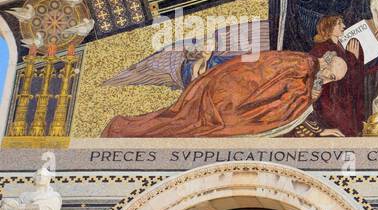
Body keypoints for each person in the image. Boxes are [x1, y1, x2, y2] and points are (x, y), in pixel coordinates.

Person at [102, 51, 349, 138]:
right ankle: (126, 129)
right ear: (326, 64)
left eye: (332, 81)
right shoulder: (303, 65)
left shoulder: (304, 67)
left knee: (181, 123)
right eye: (332, 76)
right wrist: (318, 129)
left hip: (226, 90)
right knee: (187, 126)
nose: (327, 82)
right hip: (227, 97)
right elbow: (288, 102)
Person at [307, 14, 378, 136]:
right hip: (331, 104)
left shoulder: (344, 47)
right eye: (339, 24)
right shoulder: (321, 48)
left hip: (348, 103)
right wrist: (352, 57)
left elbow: (361, 72)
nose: (344, 26)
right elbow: (341, 78)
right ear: (328, 27)